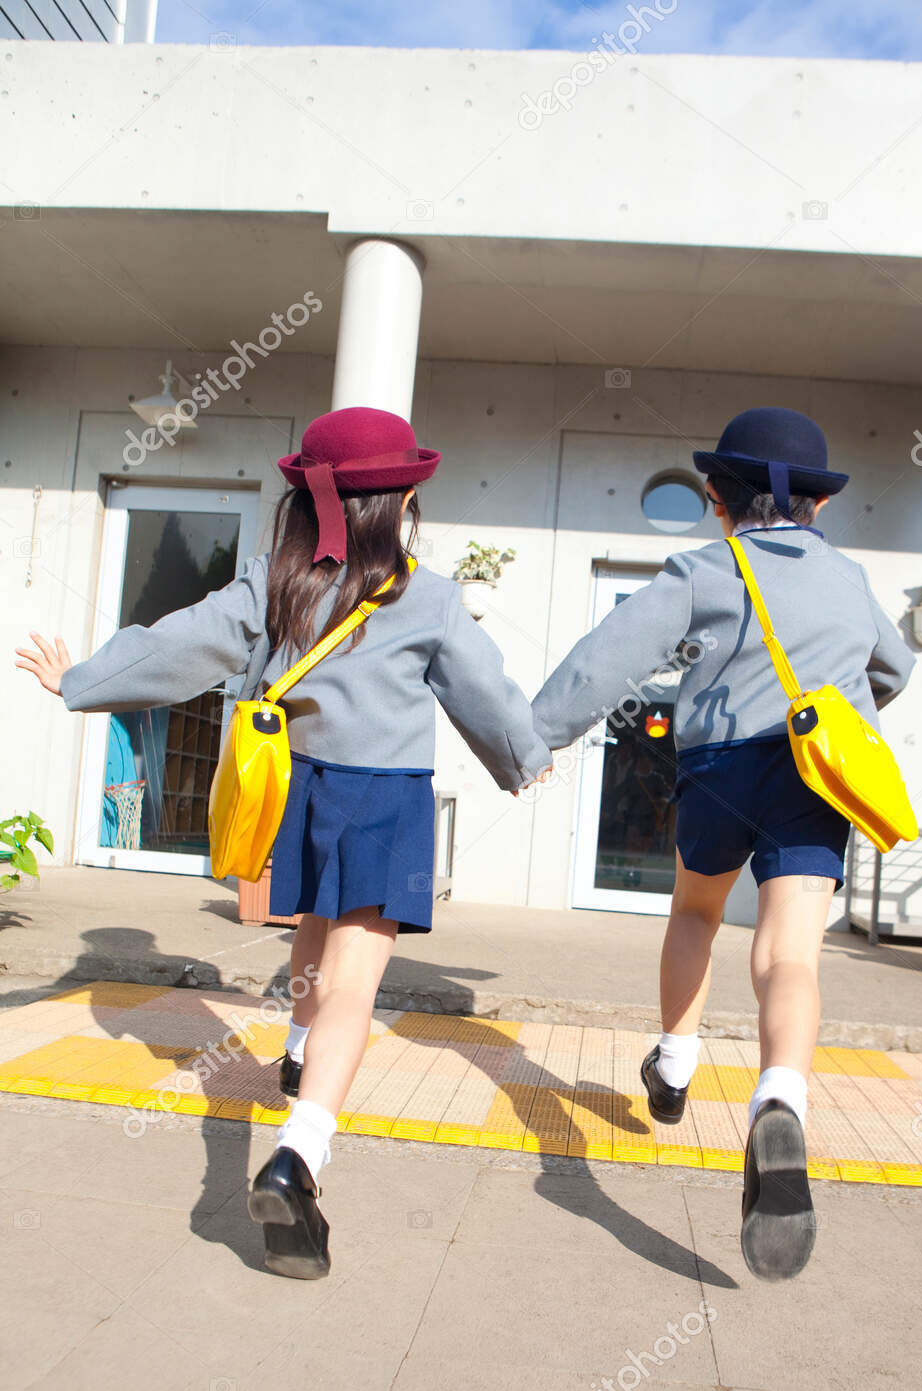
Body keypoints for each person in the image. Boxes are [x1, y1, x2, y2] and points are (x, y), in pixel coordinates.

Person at [17, 406, 552, 1281]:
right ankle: (299, 1157)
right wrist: (524, 758)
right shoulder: (429, 595)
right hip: (383, 799)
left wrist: (79, 680)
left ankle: (298, 1056)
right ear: (403, 500)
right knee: (355, 983)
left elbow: (181, 642)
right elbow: (483, 692)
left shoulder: (274, 582)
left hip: (297, 792)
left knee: (312, 922)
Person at [532, 407, 915, 1280]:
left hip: (718, 769)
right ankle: (779, 1095)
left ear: (716, 499)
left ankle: (673, 1063)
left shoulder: (704, 567)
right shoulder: (847, 578)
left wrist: (531, 739)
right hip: (815, 776)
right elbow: (892, 668)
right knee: (790, 958)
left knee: (697, 912)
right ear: (815, 505)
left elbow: (606, 662)